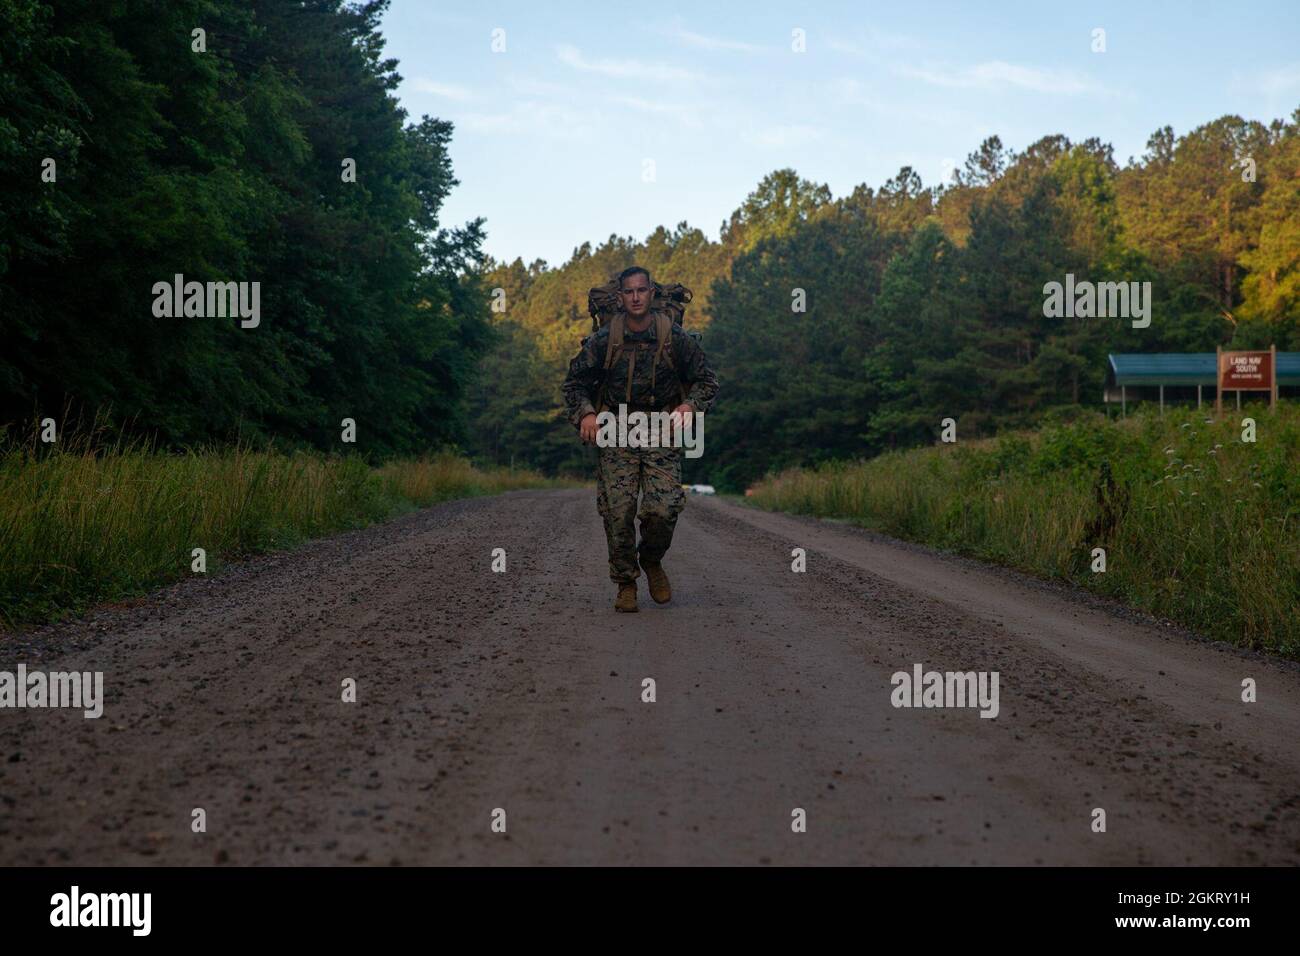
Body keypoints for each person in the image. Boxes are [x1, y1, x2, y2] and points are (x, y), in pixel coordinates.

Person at [561, 266, 719, 612]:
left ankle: (651, 560)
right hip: (616, 426)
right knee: (617, 511)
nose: (635, 297)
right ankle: (626, 582)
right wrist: (586, 413)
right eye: (629, 292)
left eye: (641, 291)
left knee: (662, 510)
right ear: (620, 298)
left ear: (651, 293)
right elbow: (574, 385)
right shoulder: (605, 340)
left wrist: (691, 406)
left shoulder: (674, 337)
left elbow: (707, 381)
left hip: (662, 426)